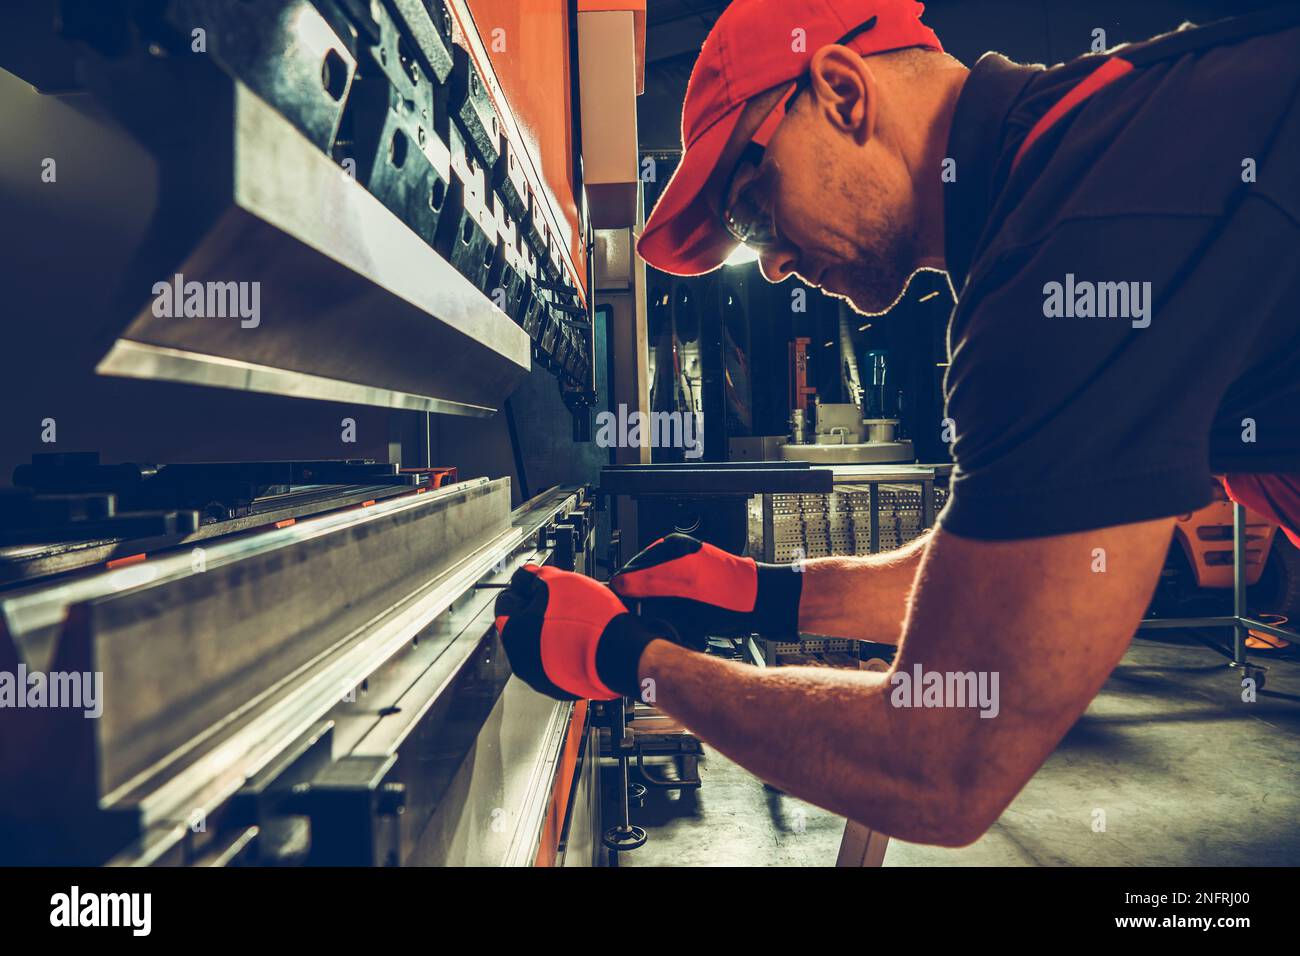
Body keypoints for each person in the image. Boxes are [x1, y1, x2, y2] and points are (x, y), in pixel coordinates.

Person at [495, 0, 1300, 845]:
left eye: (750, 205)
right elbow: (1001, 590)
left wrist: (626, 659)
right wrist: (760, 592)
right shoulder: (1084, 159)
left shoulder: (1063, 248)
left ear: (842, 91)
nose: (769, 263)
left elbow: (939, 765)